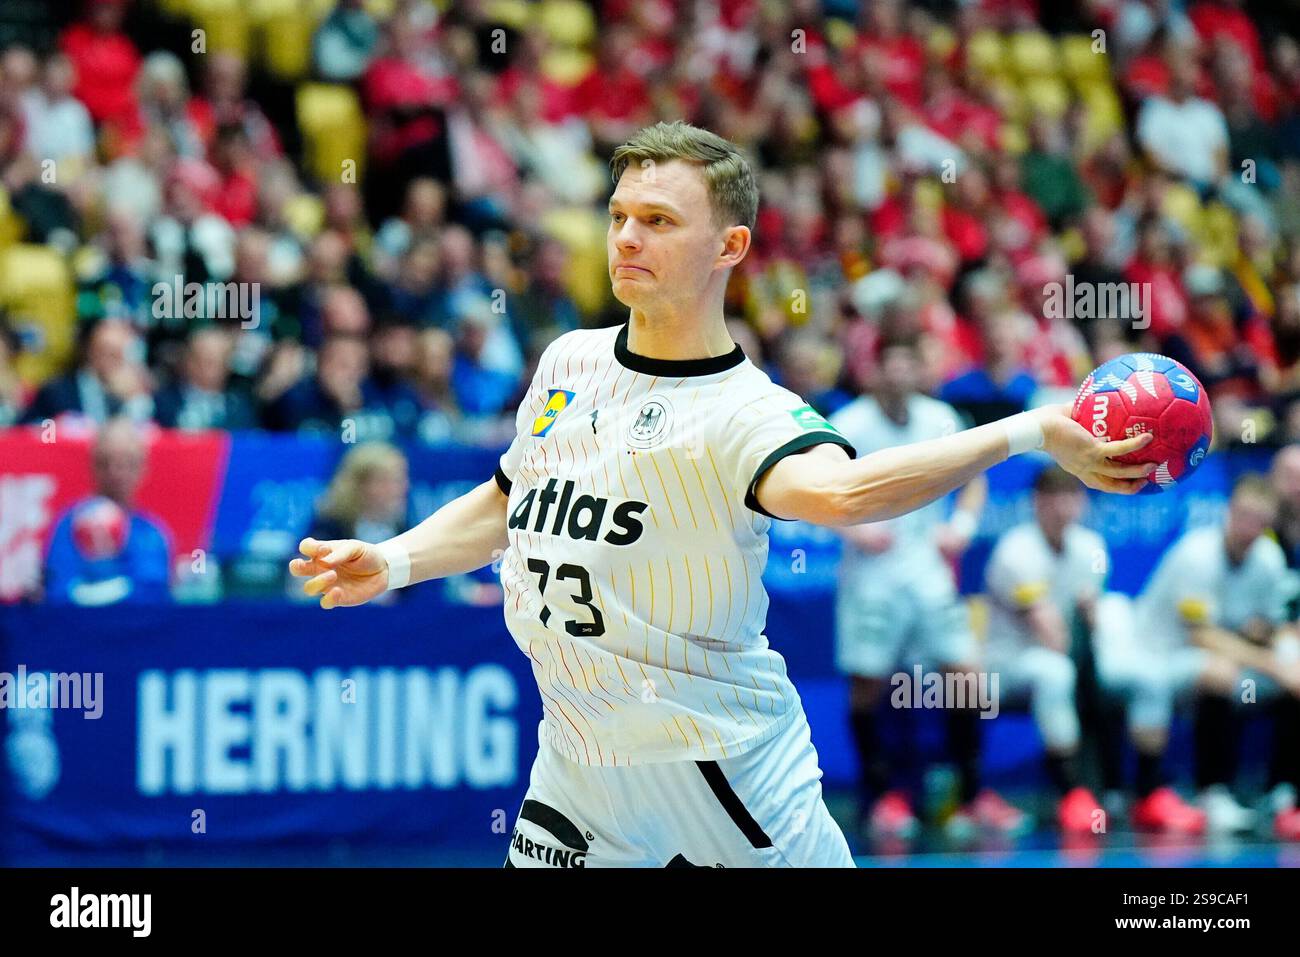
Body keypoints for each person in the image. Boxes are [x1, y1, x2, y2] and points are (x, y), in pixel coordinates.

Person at [289, 122, 1154, 869]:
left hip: (724, 764)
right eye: (619, 217)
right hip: (579, 762)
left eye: (658, 221)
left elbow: (847, 495)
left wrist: (1031, 430)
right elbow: (505, 502)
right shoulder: (568, 363)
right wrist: (395, 558)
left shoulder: (747, 412)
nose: (626, 237)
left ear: (729, 247)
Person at [829, 333, 1009, 841]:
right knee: (867, 683)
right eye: (890, 366)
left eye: (910, 364)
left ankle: (972, 797)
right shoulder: (849, 425)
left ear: (919, 371)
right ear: (873, 372)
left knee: (967, 675)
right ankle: (879, 797)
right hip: (871, 574)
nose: (900, 375)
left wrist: (962, 529)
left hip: (929, 569)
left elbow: (976, 476)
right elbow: (819, 484)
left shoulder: (941, 419)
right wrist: (853, 528)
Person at [983, 465, 1207, 835]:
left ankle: (1149, 794)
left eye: (1071, 498)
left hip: (1074, 659)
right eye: (1053, 499)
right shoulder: (1015, 551)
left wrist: (1097, 659)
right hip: (1010, 664)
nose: (1062, 508)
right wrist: (1089, 671)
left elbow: (1091, 623)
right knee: (1055, 672)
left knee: (1149, 677)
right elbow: (1052, 635)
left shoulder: (1090, 548)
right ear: (1036, 504)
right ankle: (1072, 796)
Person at [1127, 473, 1300, 833]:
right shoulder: (1196, 555)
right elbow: (1202, 636)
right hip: (1160, 657)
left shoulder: (1267, 559)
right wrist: (1272, 663)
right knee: (1221, 673)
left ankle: (1282, 791)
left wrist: (1281, 650)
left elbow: (1270, 625)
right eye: (1243, 515)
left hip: (1229, 656)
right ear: (1229, 511)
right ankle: (1212, 792)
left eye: (1259, 520)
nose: (1248, 527)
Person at [43, 417, 172, 605]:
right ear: (92, 466)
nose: (115, 472)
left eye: (127, 463)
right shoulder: (68, 525)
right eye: (106, 462)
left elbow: (152, 595)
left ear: (143, 469)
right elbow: (58, 591)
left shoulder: (151, 533)